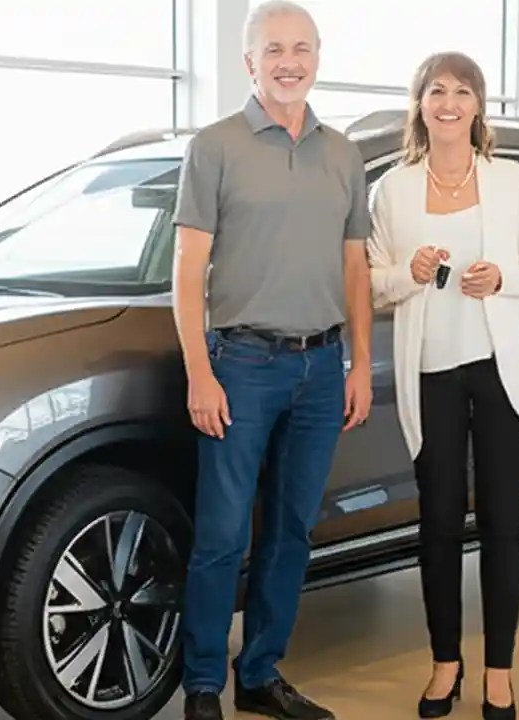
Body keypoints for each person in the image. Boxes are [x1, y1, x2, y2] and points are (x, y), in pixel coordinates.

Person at [170, 2, 373, 718]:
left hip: (322, 369)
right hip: (241, 367)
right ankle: (202, 685)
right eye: (274, 49)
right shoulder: (216, 145)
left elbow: (356, 270)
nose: (290, 61)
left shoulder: (344, 153)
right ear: (248, 62)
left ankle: (259, 674)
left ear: (318, 57)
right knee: (222, 536)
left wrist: (358, 364)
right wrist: (200, 371)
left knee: (290, 531)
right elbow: (187, 270)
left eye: (303, 48)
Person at [365, 51, 519, 720]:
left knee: (504, 526)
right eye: (435, 90)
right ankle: (446, 663)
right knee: (439, 525)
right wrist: (408, 273)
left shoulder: (514, 181)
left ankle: (498, 672)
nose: (448, 102)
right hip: (432, 376)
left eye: (462, 91)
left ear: (479, 106)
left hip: (499, 373)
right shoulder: (390, 190)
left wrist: (503, 278)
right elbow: (373, 282)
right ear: (419, 104)